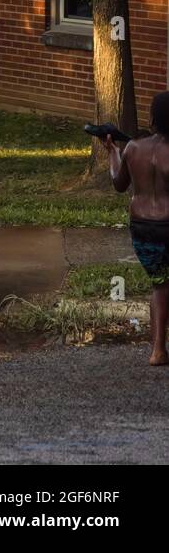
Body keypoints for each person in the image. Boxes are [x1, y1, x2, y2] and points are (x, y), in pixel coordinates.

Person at [103, 91, 169, 365]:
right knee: (164, 285)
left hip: (142, 228)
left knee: (161, 284)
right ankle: (158, 350)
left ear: (153, 117)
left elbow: (119, 184)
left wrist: (113, 153)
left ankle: (157, 350)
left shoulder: (132, 148)